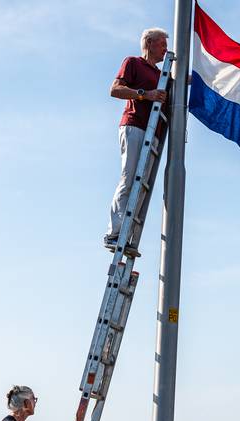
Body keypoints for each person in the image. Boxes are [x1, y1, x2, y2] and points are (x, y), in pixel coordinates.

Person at [104, 27, 170, 256]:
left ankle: (128, 236)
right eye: (162, 44)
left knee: (142, 183)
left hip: (153, 134)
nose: (165, 50)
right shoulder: (133, 63)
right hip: (134, 126)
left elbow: (183, 81)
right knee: (130, 176)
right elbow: (115, 90)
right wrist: (145, 94)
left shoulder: (163, 75)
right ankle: (115, 233)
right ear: (150, 43)